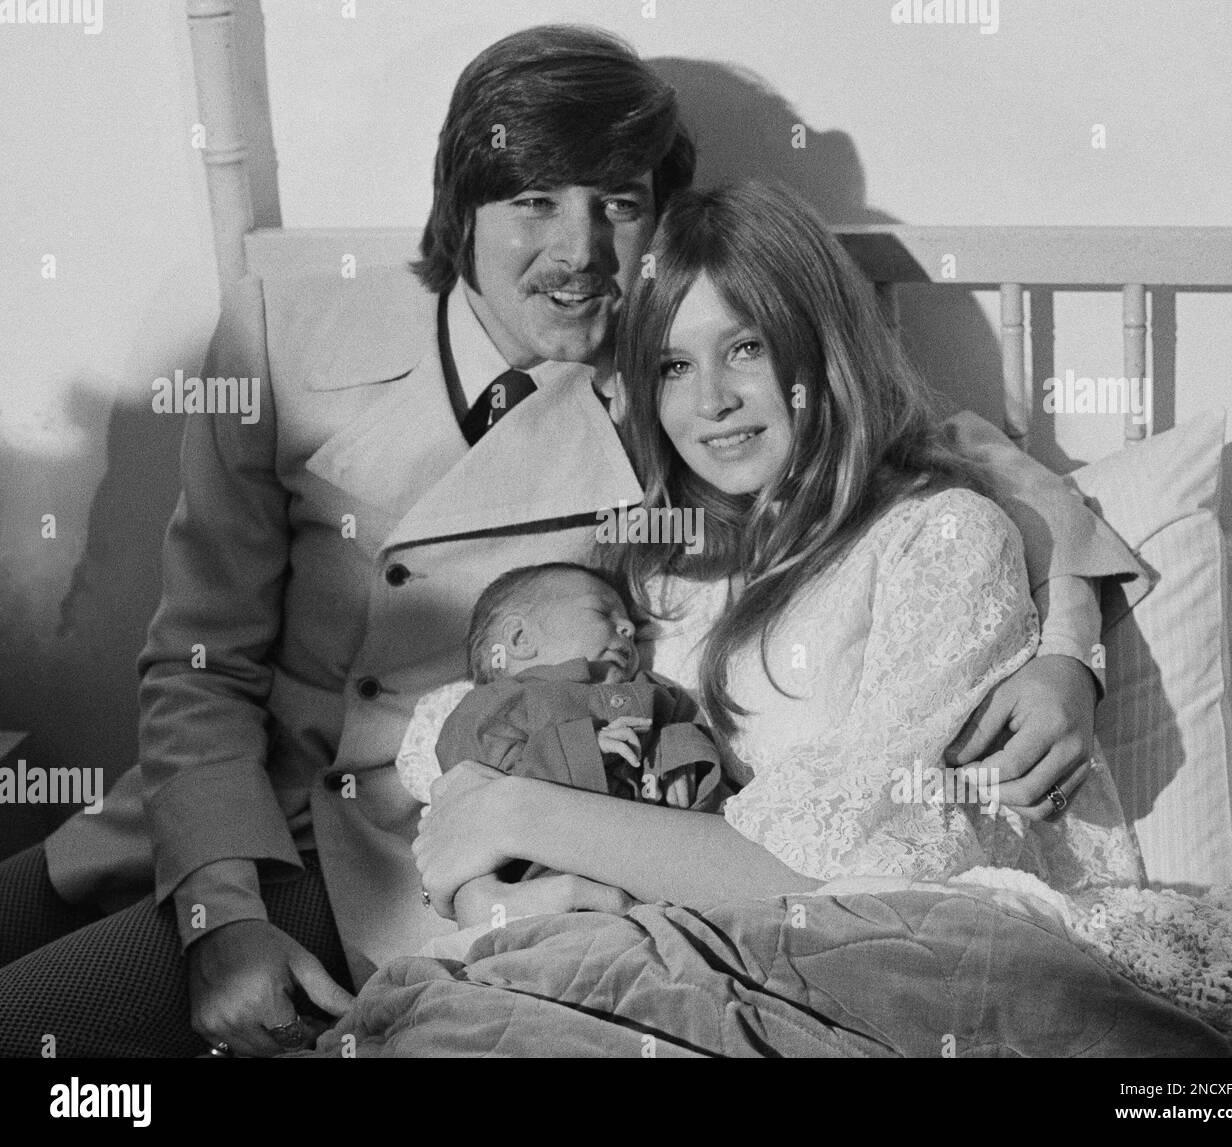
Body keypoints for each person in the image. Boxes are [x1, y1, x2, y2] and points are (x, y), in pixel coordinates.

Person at [0, 25, 1141, 1058]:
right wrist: (216, 906)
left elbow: (932, 446)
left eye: (619, 204)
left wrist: (1066, 647)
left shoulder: (672, 379)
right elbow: (202, 659)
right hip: (209, 818)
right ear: (462, 210)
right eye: (535, 201)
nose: (579, 251)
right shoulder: (280, 337)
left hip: (400, 859)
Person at [412, 181, 1144, 919]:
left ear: (822, 350)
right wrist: (484, 888)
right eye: (674, 366)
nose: (711, 402)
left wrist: (516, 814)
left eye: (746, 348)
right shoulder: (656, 562)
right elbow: (496, 726)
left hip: (876, 954)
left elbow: (820, 877)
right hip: (665, 945)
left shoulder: (936, 542)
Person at [426, 560, 723, 813]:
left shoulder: (648, 688)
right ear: (520, 639)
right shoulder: (493, 707)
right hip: (547, 864)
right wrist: (581, 751)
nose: (629, 629)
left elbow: (693, 723)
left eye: (631, 625)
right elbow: (482, 800)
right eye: (603, 613)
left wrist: (676, 754)